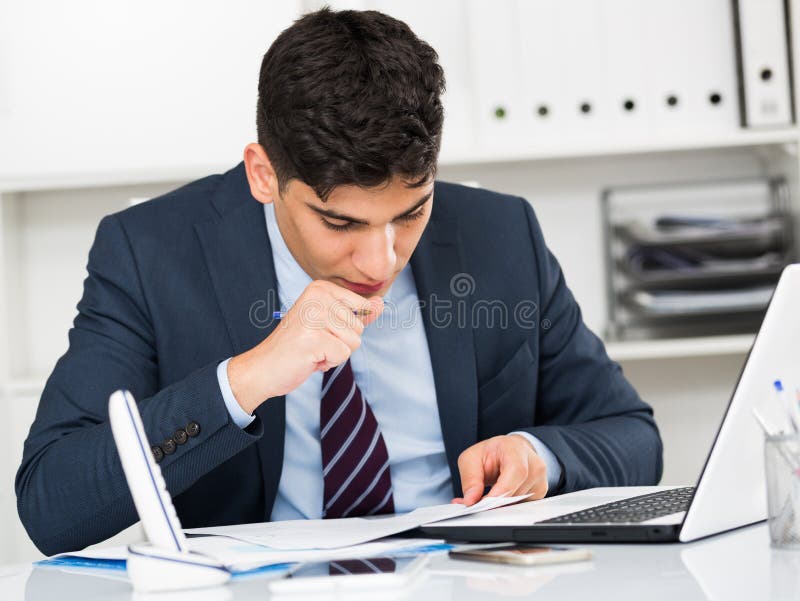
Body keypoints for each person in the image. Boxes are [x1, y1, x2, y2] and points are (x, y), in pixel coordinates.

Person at [16, 8, 662, 556]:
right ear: (264, 174)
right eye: (339, 221)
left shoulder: (499, 232)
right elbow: (52, 505)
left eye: (410, 212)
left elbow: (633, 438)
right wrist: (247, 378)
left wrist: (536, 454)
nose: (381, 260)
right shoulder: (151, 252)